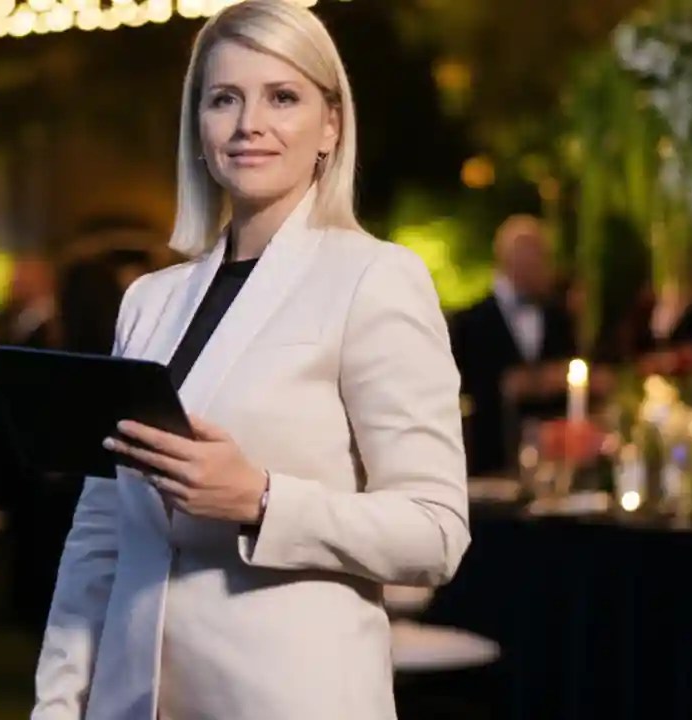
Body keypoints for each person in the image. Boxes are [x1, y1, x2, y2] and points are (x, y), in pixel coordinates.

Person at [33, 2, 470, 718]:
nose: (249, 125)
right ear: (197, 126)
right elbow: (100, 535)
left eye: (283, 97)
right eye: (224, 99)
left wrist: (263, 500)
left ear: (330, 124)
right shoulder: (149, 300)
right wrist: (56, 704)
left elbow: (435, 531)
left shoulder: (374, 279)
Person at [449, 215, 577, 477]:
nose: (547, 266)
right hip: (488, 467)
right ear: (513, 259)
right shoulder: (469, 322)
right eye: (540, 257)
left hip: (552, 470)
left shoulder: (559, 318)